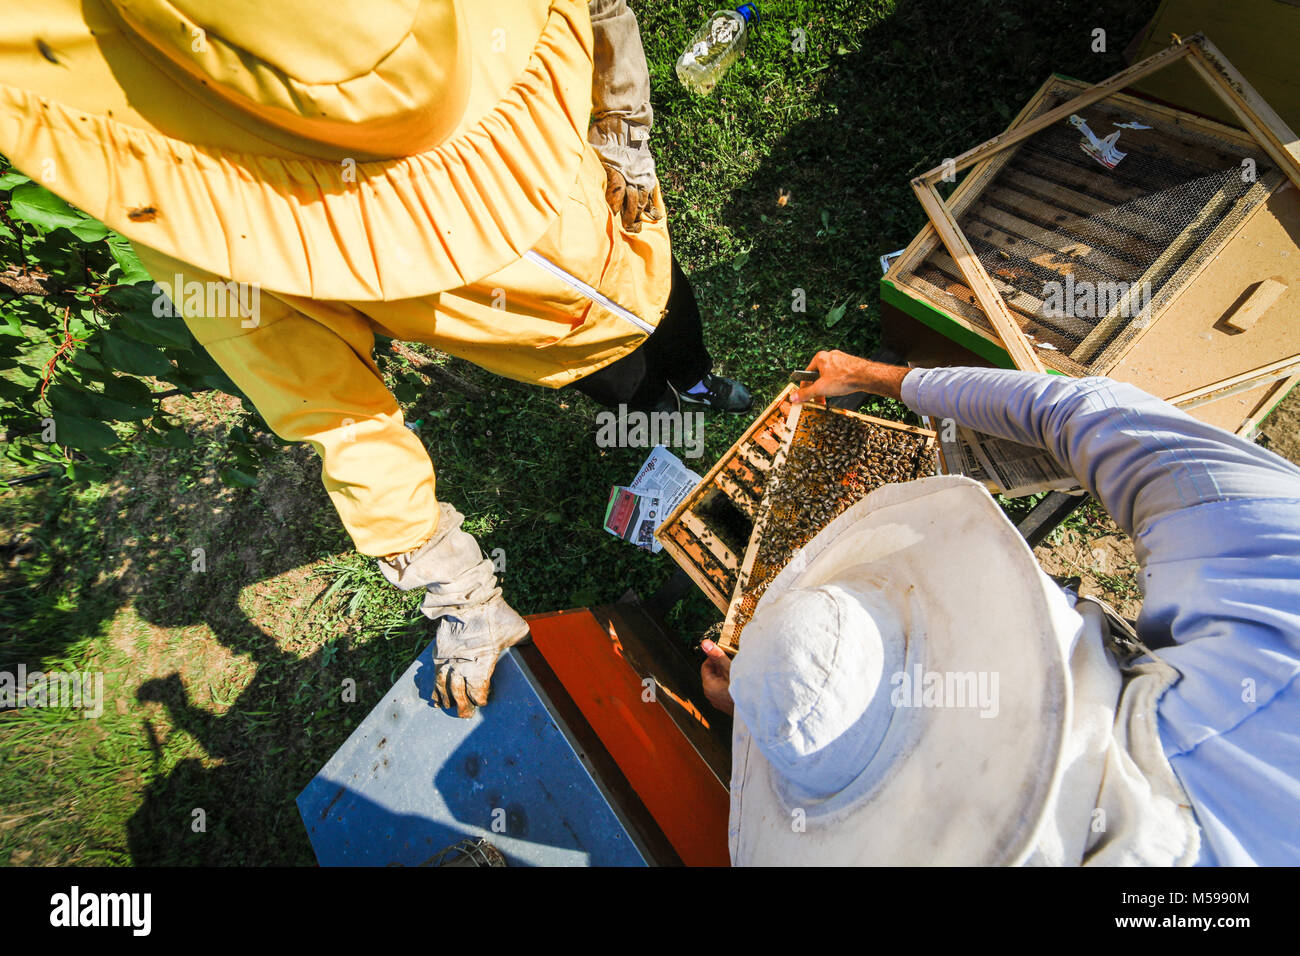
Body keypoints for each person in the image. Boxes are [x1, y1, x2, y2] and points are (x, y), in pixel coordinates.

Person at [0, 0, 749, 718]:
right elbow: (335, 412)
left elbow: (589, 8)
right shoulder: (184, 208)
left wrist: (623, 136)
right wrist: (459, 591)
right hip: (558, 340)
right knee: (631, 393)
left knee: (678, 332)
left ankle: (695, 381)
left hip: (629, 225)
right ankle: (663, 414)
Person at [700, 350, 1300, 865]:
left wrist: (768, 712)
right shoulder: (1275, 602)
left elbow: (1080, 413)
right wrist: (870, 374)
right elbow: (1079, 413)